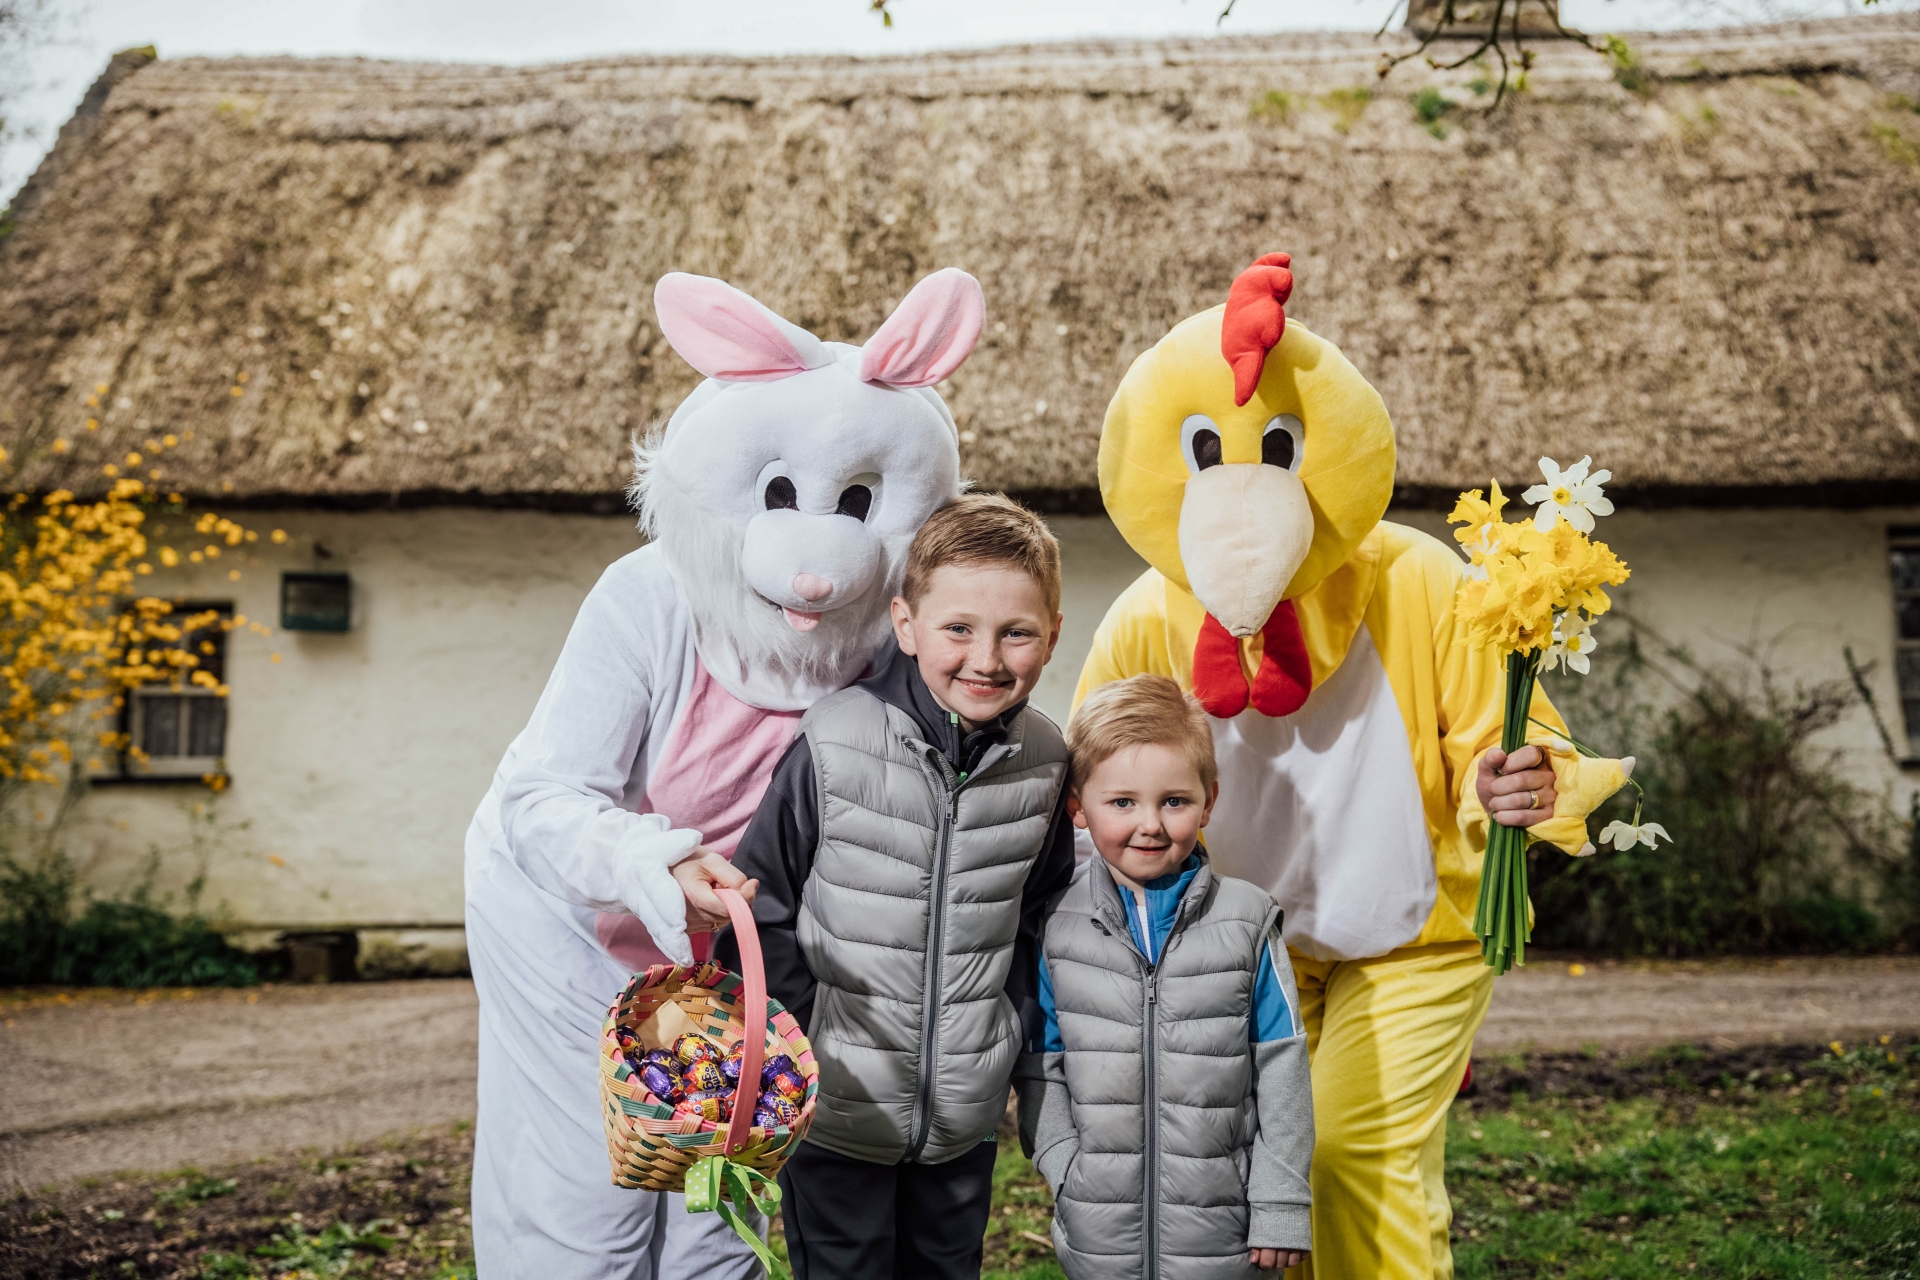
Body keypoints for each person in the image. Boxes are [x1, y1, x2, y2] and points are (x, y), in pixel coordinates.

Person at [1075, 253, 1631, 1276]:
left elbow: (1523, 745)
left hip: (1413, 935)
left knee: (1353, 1151)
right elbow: (1087, 801)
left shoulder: (1419, 576)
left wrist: (1523, 781)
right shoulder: (1144, 620)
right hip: (1242, 953)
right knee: (1254, 1185)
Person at [463, 267, 985, 1279]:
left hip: (739, 950)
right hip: (566, 918)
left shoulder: (889, 641)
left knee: (725, 1173)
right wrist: (646, 857)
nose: (817, 558)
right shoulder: (647, 602)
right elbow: (541, 798)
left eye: (859, 503)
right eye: (784, 495)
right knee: (593, 1186)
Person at [719, 492, 1078, 1280]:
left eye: (1016, 633)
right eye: (958, 628)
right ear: (906, 625)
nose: (986, 658)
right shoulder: (832, 740)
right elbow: (758, 912)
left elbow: (1041, 921)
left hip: (962, 1120)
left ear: (1050, 637)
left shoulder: (1049, 762)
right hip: (836, 1115)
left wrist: (1009, 1028)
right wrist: (795, 1061)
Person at [1028, 673, 1313, 1278]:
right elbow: (1042, 1064)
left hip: (1227, 1236)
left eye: (1174, 801)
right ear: (1079, 806)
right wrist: (1062, 1164)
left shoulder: (1248, 921)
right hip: (1098, 1232)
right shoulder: (1057, 928)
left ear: (1209, 800)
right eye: (1122, 801)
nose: (1150, 824)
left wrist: (1281, 1201)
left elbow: (1284, 1067)